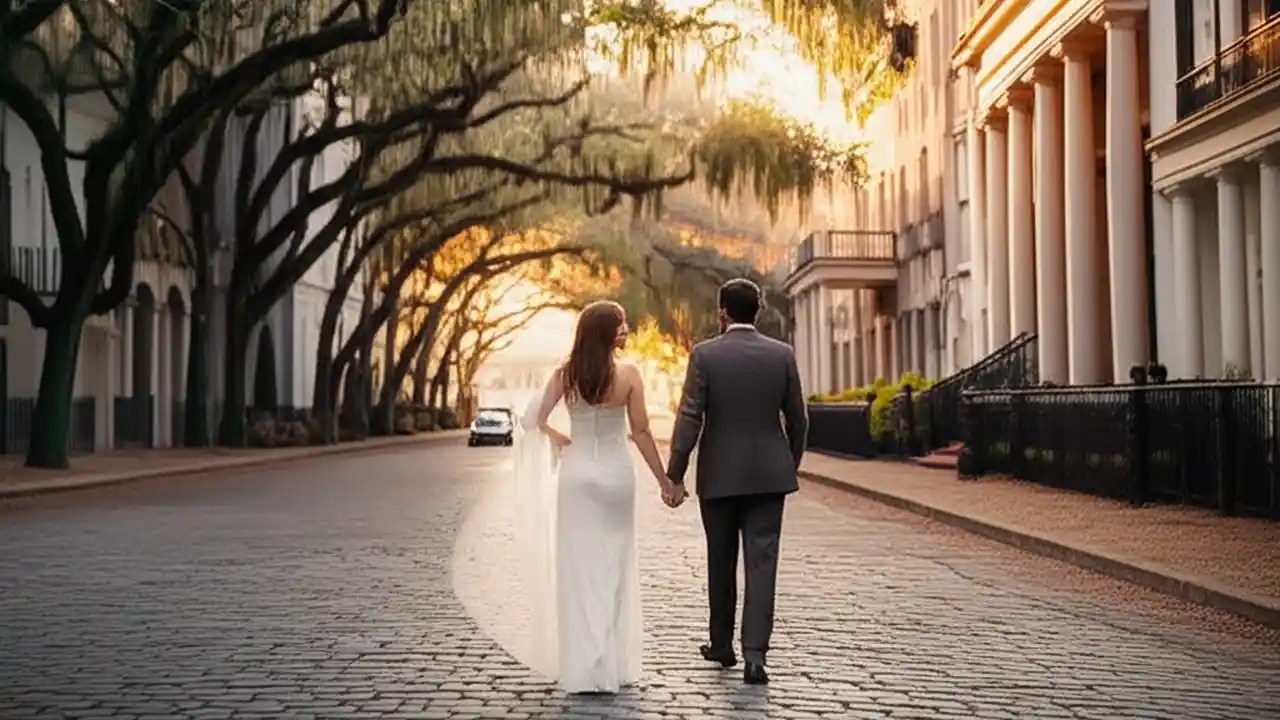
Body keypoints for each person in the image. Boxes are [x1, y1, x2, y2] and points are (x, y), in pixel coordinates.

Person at [513, 300, 682, 694]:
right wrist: (664, 481)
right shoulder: (628, 375)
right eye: (621, 324)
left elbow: (535, 420)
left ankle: (584, 666)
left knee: (578, 570)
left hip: (576, 476)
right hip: (616, 476)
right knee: (613, 567)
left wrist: (562, 441)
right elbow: (640, 432)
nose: (627, 329)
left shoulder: (566, 374)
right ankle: (609, 660)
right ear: (606, 331)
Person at [664, 278, 809, 685]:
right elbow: (799, 419)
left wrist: (675, 472)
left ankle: (721, 644)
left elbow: (690, 415)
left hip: (720, 475)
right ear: (757, 311)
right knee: (763, 564)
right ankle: (755, 656)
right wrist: (788, 462)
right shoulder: (782, 354)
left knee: (720, 558)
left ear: (723, 311)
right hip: (769, 475)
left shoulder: (706, 355)